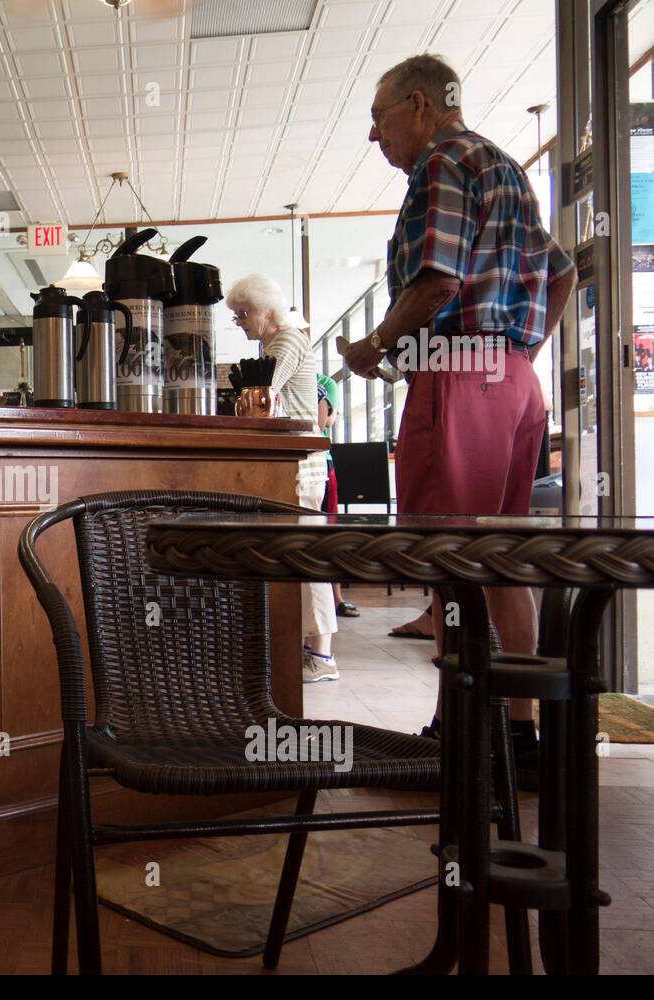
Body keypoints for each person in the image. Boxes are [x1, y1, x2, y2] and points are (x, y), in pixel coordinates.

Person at [340, 54, 577, 788]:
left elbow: (439, 277)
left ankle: (458, 730)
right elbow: (564, 271)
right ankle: (519, 736)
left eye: (378, 118)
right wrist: (515, 356)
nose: (373, 136)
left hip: (458, 380)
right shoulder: (505, 168)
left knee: (446, 561)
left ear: (418, 104)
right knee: (498, 557)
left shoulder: (442, 162)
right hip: (512, 385)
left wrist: (374, 344)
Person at [227, 275, 338, 682]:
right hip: (295, 466)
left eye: (244, 313)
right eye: (235, 315)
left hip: (303, 467)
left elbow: (264, 393)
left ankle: (322, 657)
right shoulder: (275, 344)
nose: (239, 321)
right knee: (298, 556)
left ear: (267, 311)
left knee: (307, 556)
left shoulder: (287, 340)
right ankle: (308, 650)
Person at [316, 374, 359, 618]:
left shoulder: (324, 383)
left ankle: (337, 597)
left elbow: (327, 422)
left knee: (329, 529)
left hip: (322, 460)